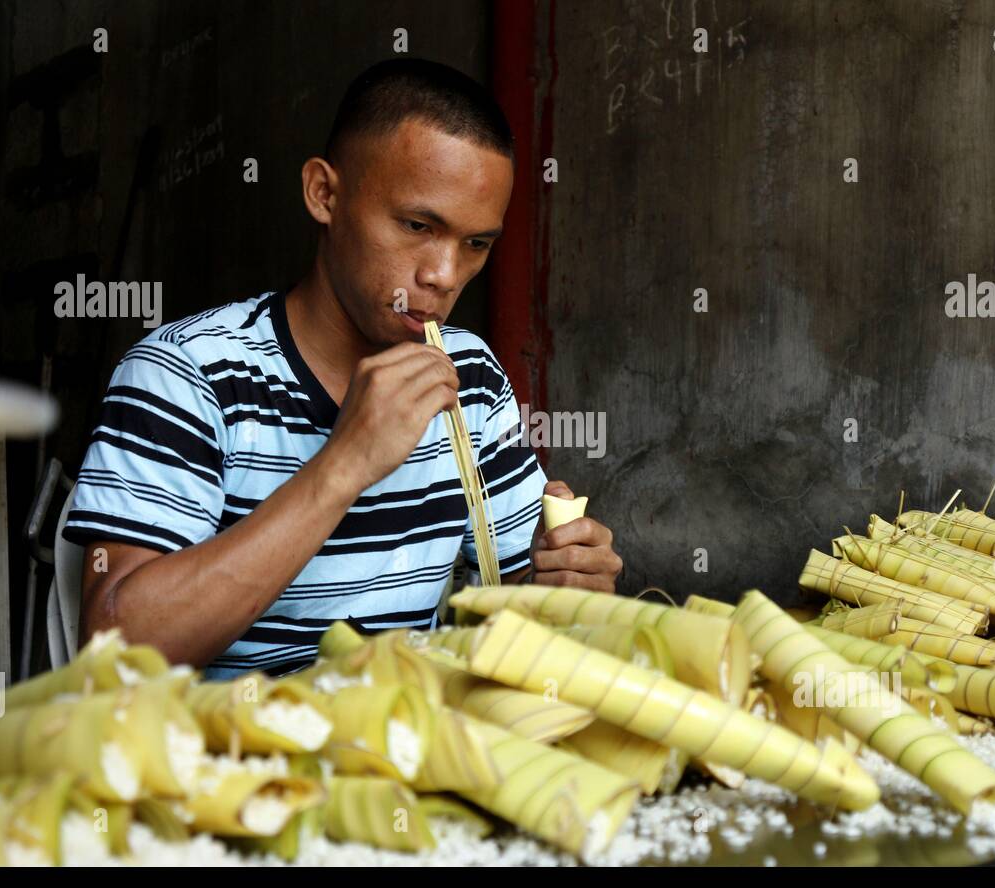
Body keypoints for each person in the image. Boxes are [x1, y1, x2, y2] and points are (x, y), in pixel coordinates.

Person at [64, 58, 622, 678]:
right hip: (232, 738)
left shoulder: (467, 374)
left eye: (476, 244)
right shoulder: (185, 375)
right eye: (417, 225)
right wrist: (344, 465)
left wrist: (562, 582)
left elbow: (511, 590)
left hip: (406, 731)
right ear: (324, 194)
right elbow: (114, 650)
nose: (443, 275)